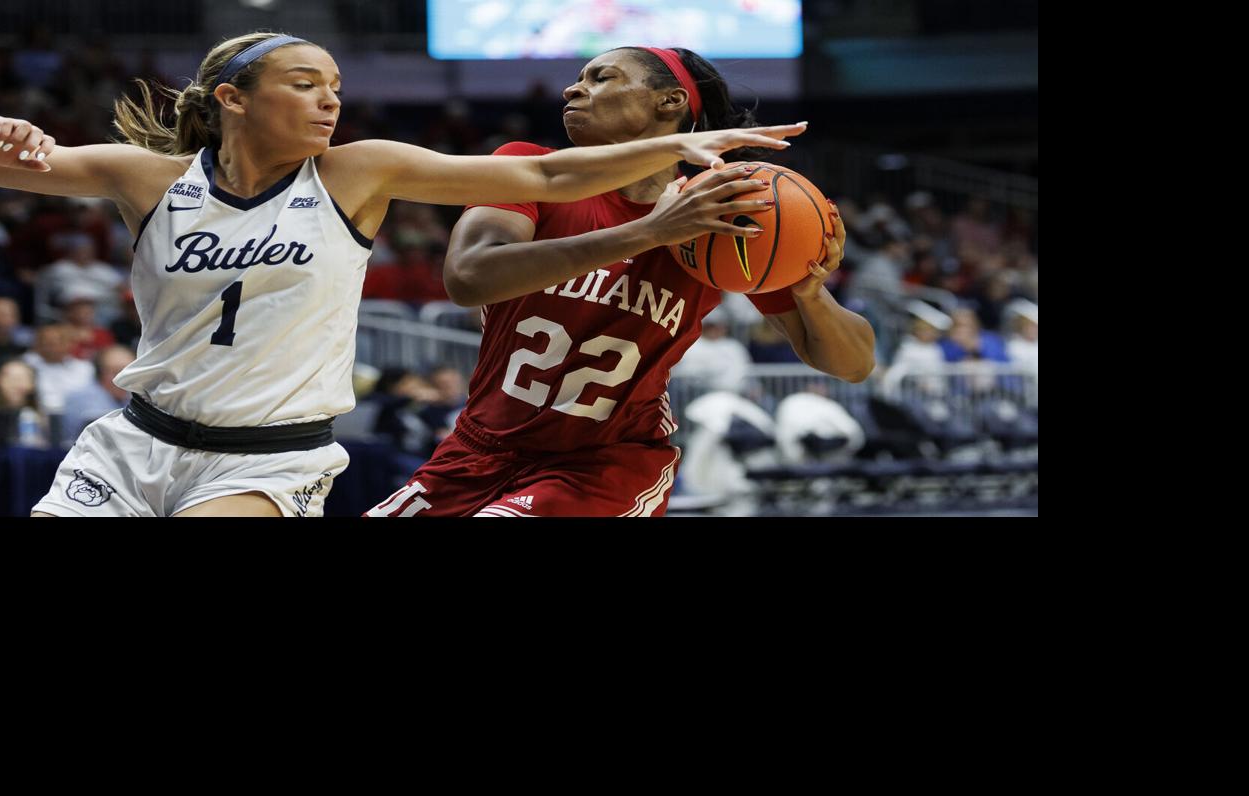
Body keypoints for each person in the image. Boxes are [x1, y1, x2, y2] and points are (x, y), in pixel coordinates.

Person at [0, 31, 805, 517]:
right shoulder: (149, 177)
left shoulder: (357, 170)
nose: (330, 100)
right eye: (307, 83)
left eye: (336, 85)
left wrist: (675, 145)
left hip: (263, 463)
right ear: (232, 98)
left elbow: (541, 176)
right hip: (136, 440)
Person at [364, 46, 874, 518]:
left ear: (669, 101)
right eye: (577, 78)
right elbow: (469, 277)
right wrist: (650, 233)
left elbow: (852, 364)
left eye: (601, 77)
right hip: (478, 446)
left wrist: (809, 290)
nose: (571, 89)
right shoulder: (525, 166)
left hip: (606, 463)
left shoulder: (724, 213)